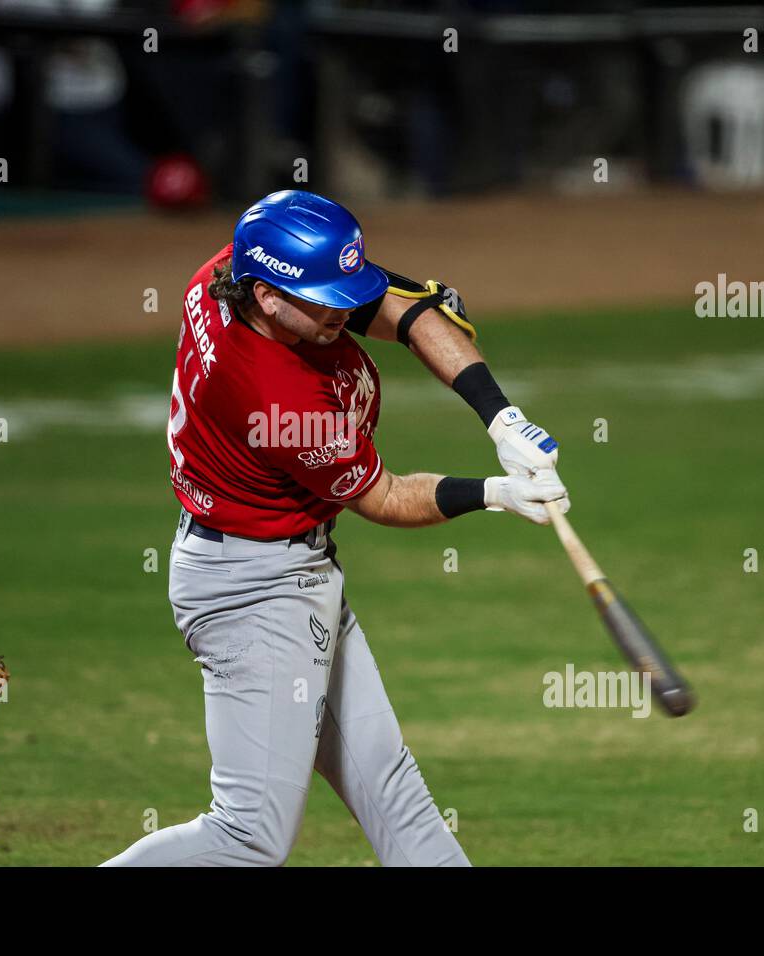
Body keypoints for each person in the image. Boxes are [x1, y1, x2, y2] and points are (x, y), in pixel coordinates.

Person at [103, 189, 569, 866]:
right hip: (255, 593)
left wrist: (500, 418)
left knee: (387, 781)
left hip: (274, 566)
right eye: (325, 297)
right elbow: (382, 497)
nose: (342, 311)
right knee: (248, 837)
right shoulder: (278, 400)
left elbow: (401, 309)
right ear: (267, 297)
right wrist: (496, 493)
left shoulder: (224, 275)